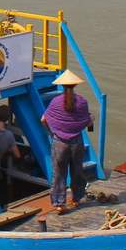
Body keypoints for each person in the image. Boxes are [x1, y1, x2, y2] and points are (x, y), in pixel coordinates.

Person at [41, 70, 93, 213]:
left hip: (59, 143)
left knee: (58, 174)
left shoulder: (55, 102)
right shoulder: (82, 102)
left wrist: (52, 133)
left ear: (62, 85)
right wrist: (91, 121)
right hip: (77, 143)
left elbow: (43, 120)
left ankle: (59, 204)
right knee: (77, 171)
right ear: (75, 85)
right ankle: (76, 199)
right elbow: (87, 122)